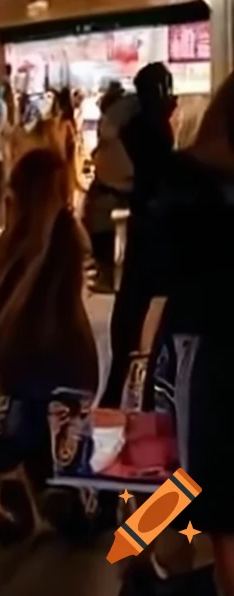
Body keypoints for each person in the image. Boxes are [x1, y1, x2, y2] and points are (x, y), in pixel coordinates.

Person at [0, 146, 99, 541]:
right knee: (56, 439)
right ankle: (47, 490)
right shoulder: (66, 238)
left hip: (17, 383)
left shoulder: (14, 243)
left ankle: (17, 484)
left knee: (20, 427)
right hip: (62, 376)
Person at [141, 71, 234, 595]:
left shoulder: (184, 182)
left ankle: (145, 554)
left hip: (197, 351)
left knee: (194, 480)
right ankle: (146, 551)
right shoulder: (192, 186)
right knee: (201, 485)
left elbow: (154, 276)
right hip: (204, 354)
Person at [100, 62, 176, 408]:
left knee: (132, 315)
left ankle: (118, 398)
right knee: (144, 318)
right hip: (153, 232)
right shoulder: (149, 129)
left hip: (144, 228)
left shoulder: (135, 125)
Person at [82, 83, 136, 293]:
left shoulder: (116, 122)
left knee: (97, 211)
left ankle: (107, 270)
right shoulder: (124, 117)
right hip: (120, 188)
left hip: (117, 191)